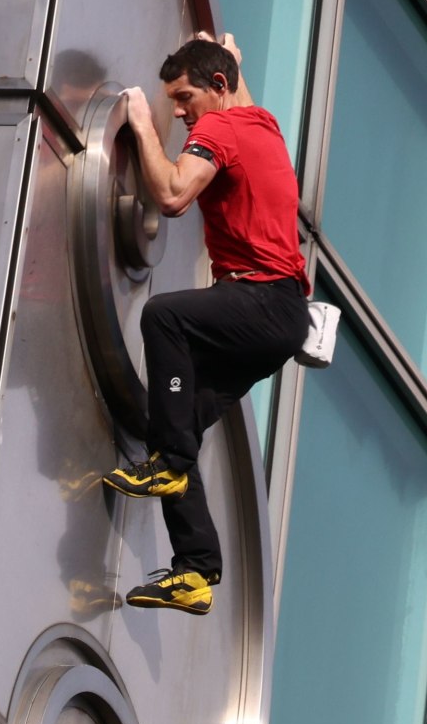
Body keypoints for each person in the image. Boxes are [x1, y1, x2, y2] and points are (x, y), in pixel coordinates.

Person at [101, 33, 308, 616]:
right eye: (169, 102)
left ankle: (167, 466)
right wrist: (231, 63)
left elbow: (171, 196)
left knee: (165, 315)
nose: (178, 112)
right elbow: (230, 87)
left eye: (183, 97)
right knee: (177, 423)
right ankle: (195, 572)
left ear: (214, 88)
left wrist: (141, 125)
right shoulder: (257, 121)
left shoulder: (215, 130)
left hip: (260, 301)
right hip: (279, 318)